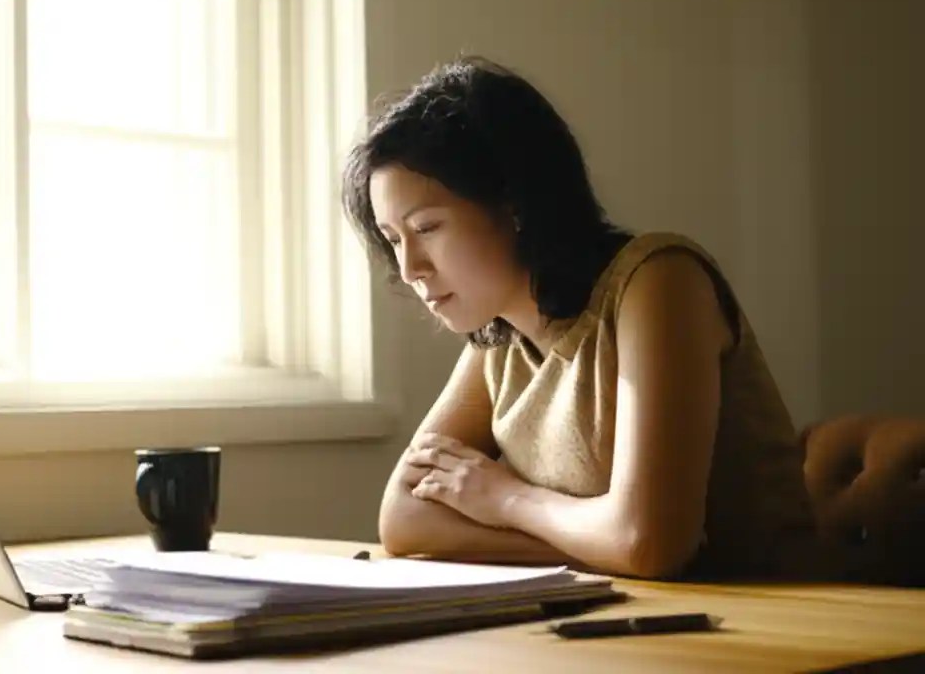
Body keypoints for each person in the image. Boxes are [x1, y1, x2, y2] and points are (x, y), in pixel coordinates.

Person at [341, 56, 816, 579]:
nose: (409, 268)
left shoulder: (658, 282)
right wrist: (597, 545)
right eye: (392, 239)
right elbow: (405, 519)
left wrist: (506, 500)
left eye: (427, 228)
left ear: (514, 202)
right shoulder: (499, 340)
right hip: (629, 624)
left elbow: (647, 542)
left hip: (771, 629)